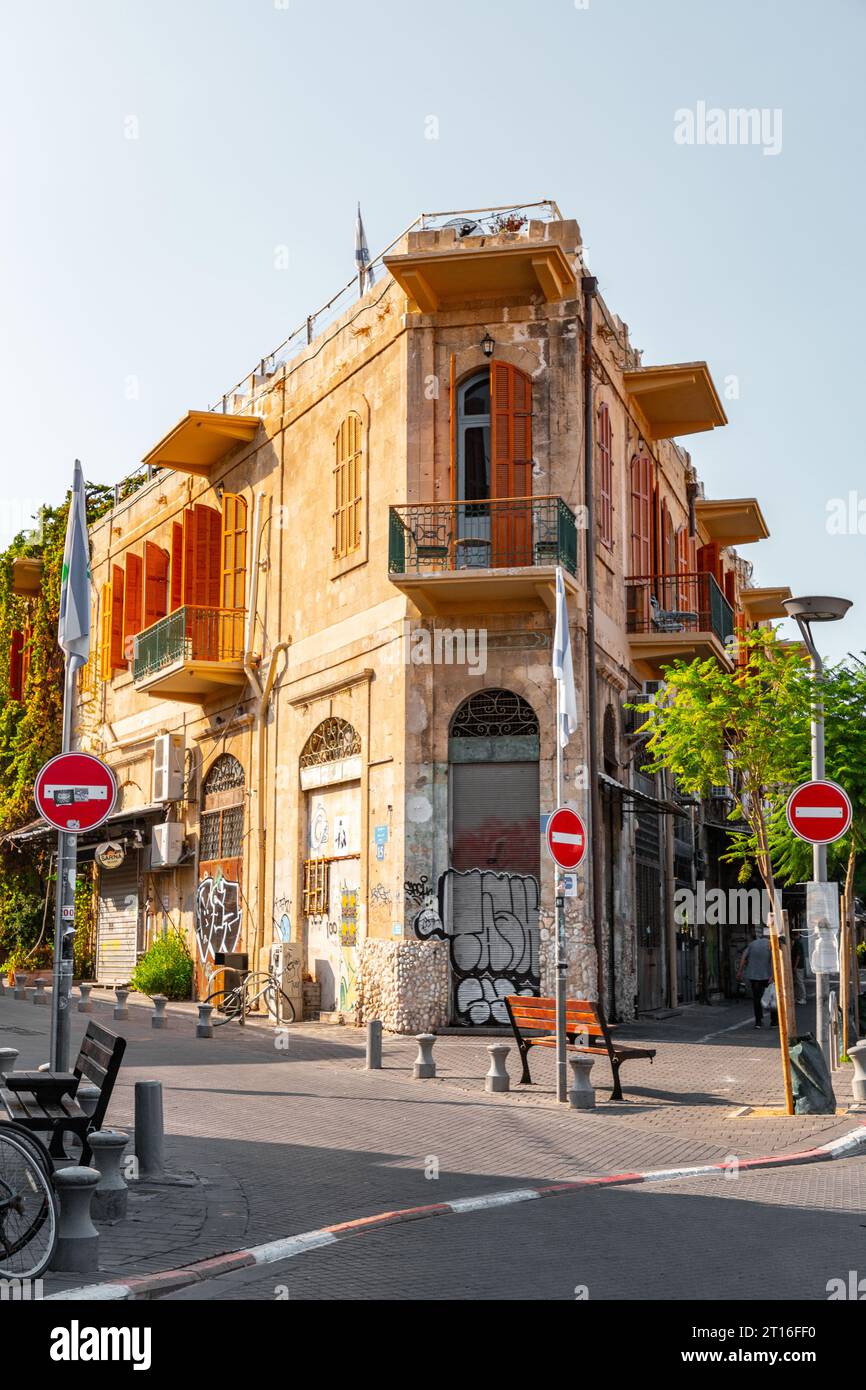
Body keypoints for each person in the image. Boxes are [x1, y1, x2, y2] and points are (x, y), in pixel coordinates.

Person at [737, 929, 773, 1028]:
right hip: (768, 976)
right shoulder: (771, 944)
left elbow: (743, 957)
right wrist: (773, 975)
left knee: (757, 999)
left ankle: (758, 1021)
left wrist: (740, 971)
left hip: (754, 976)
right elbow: (773, 960)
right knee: (771, 998)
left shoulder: (752, 944)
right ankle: (774, 1021)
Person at [791, 932, 807, 1004]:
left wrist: (795, 966)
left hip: (798, 966)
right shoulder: (798, 942)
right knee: (798, 982)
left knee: (799, 982)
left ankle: (803, 997)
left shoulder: (797, 943)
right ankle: (799, 997)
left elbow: (798, 955)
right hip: (799, 965)